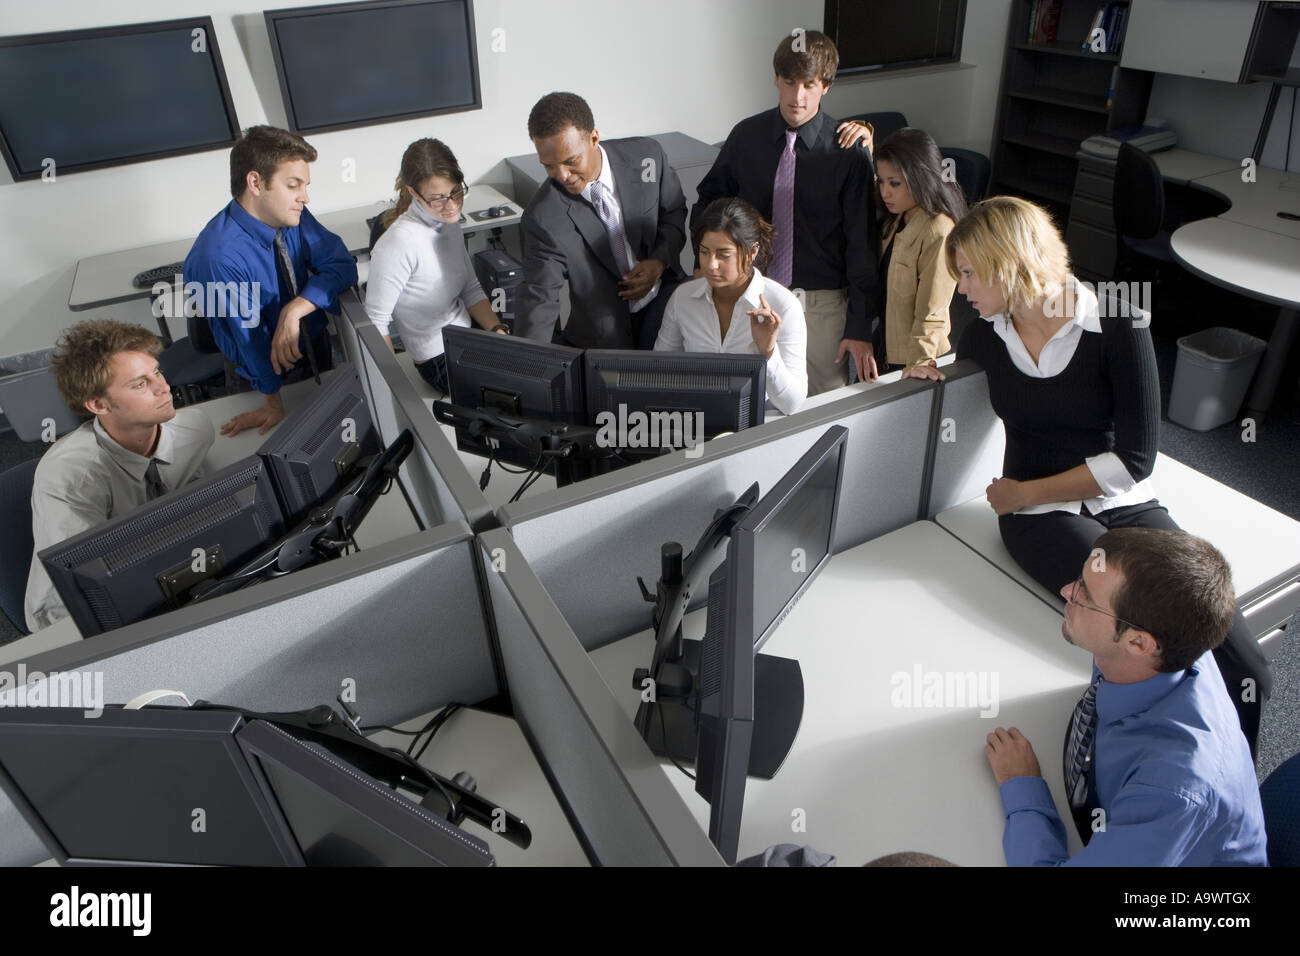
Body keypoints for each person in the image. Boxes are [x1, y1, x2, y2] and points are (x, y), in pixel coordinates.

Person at [904, 196, 1271, 750]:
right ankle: (1177, 767)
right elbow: (963, 368)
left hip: (1114, 500)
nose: (963, 288)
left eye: (970, 273)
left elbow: (1136, 459)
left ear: (1010, 262)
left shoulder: (1119, 320)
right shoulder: (983, 330)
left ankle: (1234, 781)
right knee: (1137, 619)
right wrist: (926, 370)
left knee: (1244, 665)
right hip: (1035, 517)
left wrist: (1022, 490)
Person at [985, 528, 1267, 866]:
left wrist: (1024, 788)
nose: (1065, 591)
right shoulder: (1163, 645)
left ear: (1138, 643)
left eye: (1084, 597)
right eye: (1080, 580)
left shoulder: (1172, 789)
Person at [691, 30, 881, 394]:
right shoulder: (746, 137)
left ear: (826, 86)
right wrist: (704, 262)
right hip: (751, 292)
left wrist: (858, 327)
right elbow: (708, 201)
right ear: (776, 78)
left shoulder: (847, 152)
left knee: (822, 401)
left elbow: (862, 244)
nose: (797, 96)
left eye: (809, 85)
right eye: (790, 82)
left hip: (822, 305)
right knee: (749, 396)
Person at [24, 320, 215, 632]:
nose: (163, 387)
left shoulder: (195, 431)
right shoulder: (70, 478)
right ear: (99, 404)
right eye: (140, 384)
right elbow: (82, 583)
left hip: (162, 570)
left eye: (157, 372)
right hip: (70, 617)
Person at [184, 125, 358, 436]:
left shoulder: (292, 215)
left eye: (305, 186)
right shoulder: (217, 258)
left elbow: (343, 266)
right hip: (263, 376)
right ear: (255, 182)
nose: (304, 197)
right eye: (294, 185)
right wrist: (273, 403)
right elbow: (248, 341)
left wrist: (295, 310)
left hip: (312, 347)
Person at [515, 92, 686, 350]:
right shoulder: (542, 217)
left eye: (571, 161)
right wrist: (527, 370)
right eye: (549, 166)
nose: (562, 175)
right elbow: (538, 299)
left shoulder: (647, 157)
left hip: (666, 307)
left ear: (594, 138)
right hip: (605, 339)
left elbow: (673, 212)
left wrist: (660, 261)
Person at [365, 138, 509, 393]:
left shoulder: (448, 222)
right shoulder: (398, 243)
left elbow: (470, 287)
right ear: (413, 193)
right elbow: (376, 321)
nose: (452, 205)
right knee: (520, 391)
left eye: (456, 191)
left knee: (537, 360)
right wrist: (394, 388)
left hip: (468, 336)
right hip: (438, 359)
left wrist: (496, 329)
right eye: (438, 198)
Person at [655, 198, 807, 415]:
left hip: (756, 429)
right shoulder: (683, 298)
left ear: (753, 251)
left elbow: (792, 404)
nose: (710, 264)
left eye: (723, 255)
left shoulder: (783, 305)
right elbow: (658, 375)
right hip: (695, 424)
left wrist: (768, 352)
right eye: (704, 252)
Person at [873, 127, 966, 372]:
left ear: (919, 178)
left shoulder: (938, 230)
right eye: (881, 181)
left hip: (912, 356)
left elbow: (932, 314)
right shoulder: (897, 216)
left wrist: (918, 368)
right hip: (884, 341)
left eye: (894, 183)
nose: (885, 192)